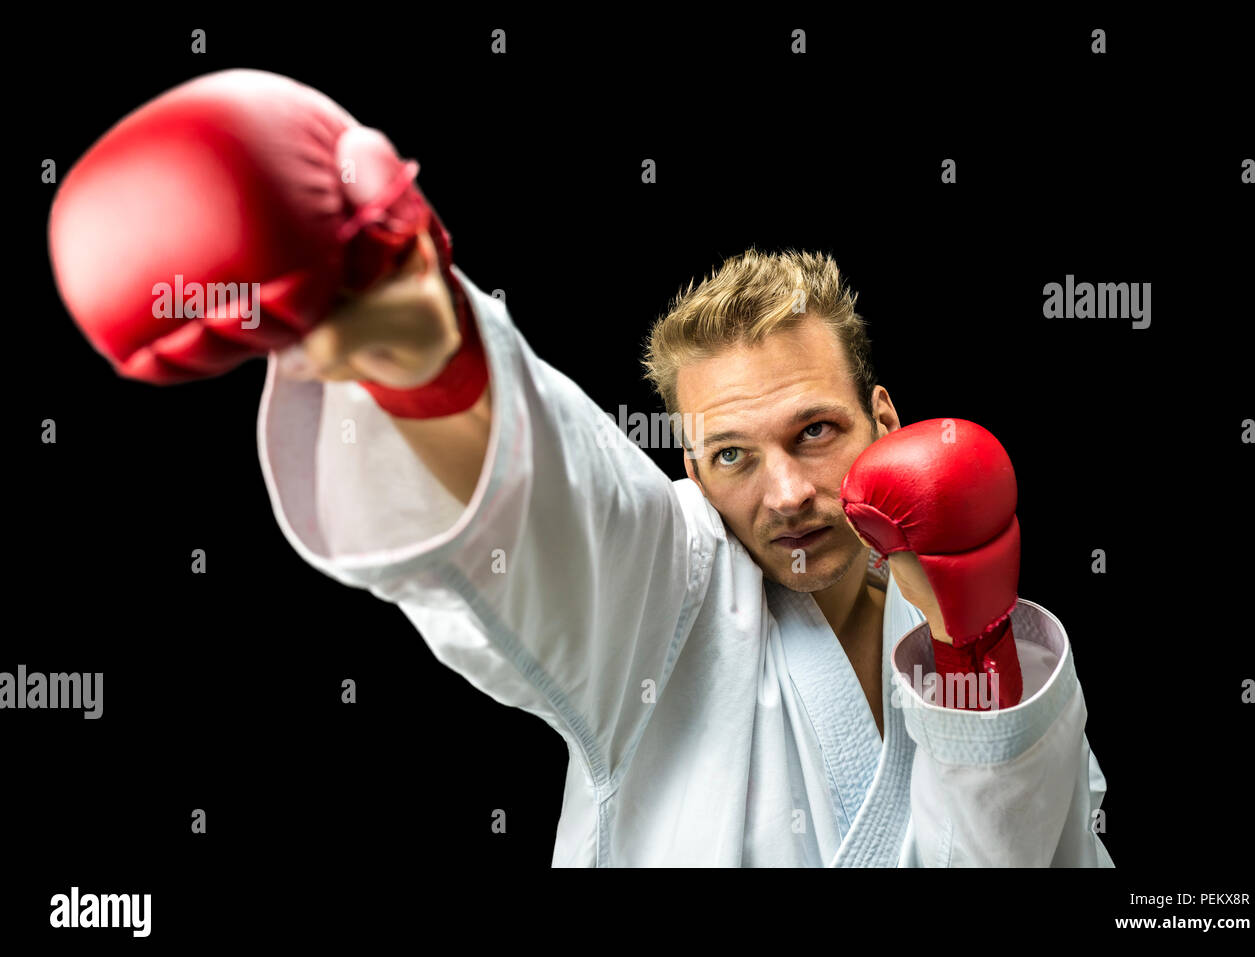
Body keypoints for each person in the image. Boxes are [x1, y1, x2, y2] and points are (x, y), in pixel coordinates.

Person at [49, 69, 1112, 867]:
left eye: (816, 433)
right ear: (690, 465)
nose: (782, 495)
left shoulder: (999, 636)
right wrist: (422, 345)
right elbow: (560, 505)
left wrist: (976, 658)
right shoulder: (678, 590)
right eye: (731, 455)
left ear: (887, 417)